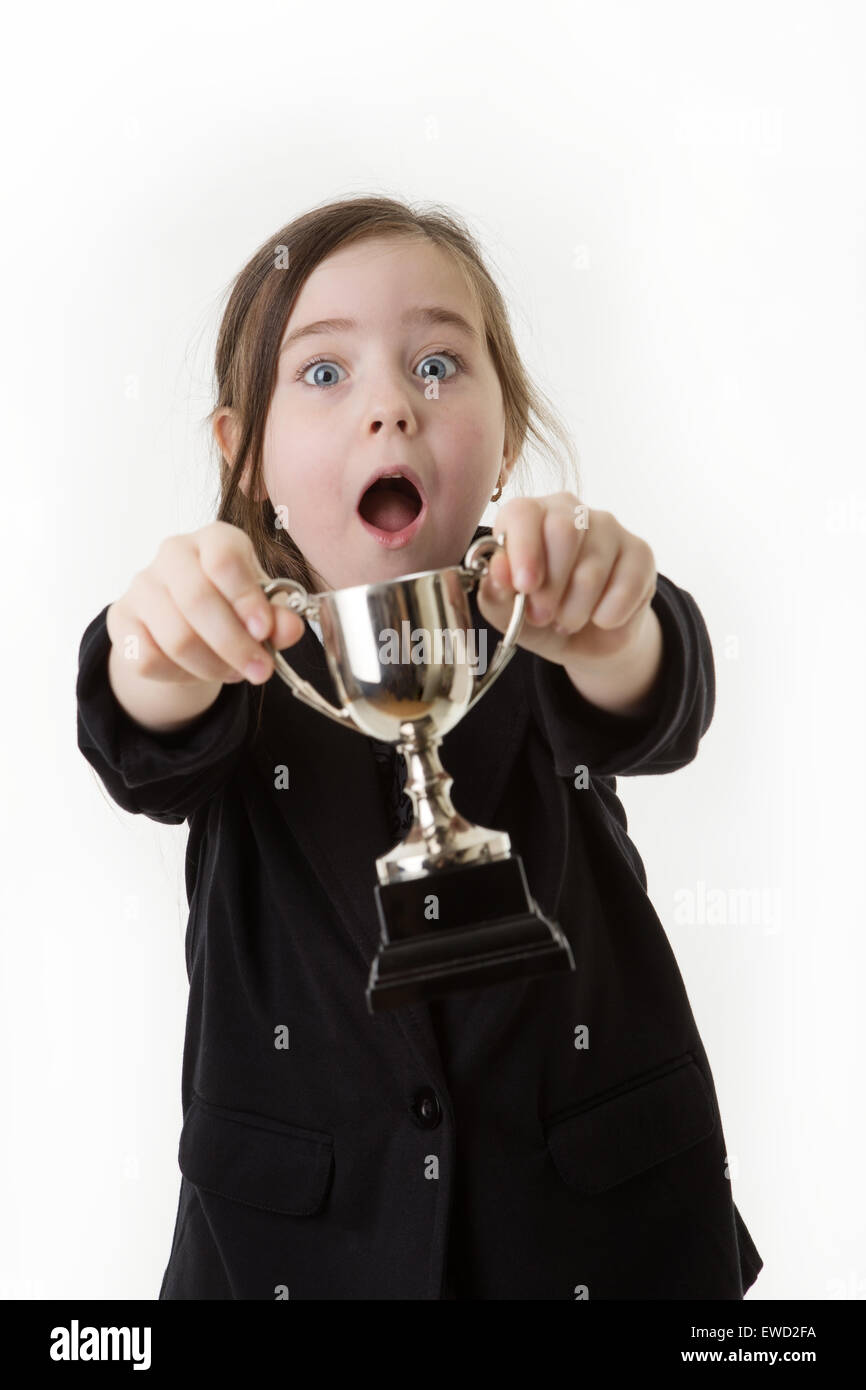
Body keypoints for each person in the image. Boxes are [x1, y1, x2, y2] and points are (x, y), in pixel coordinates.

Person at [76, 195, 763, 1300]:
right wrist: (154, 645)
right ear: (244, 458)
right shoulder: (228, 649)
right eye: (323, 372)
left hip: (599, 1241)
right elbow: (138, 736)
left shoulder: (542, 612)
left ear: (507, 438)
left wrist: (616, 625)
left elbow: (658, 699)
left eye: (437, 365)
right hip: (295, 1254)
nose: (391, 406)